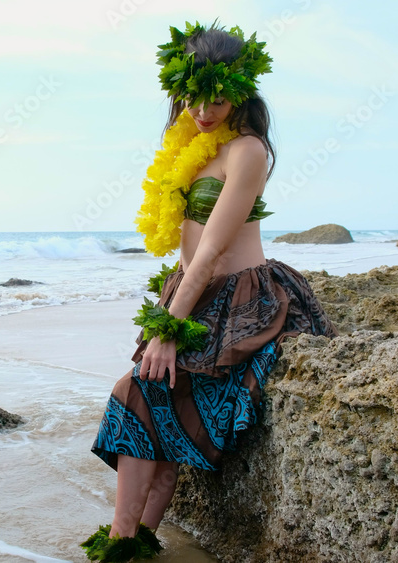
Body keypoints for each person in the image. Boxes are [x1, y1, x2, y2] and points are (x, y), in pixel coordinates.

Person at [80, 20, 339, 562]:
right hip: (192, 291)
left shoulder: (247, 151)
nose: (203, 111)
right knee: (156, 404)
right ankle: (140, 546)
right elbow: (184, 250)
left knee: (139, 392)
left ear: (241, 91)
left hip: (243, 298)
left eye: (217, 99)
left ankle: (122, 544)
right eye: (191, 99)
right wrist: (169, 309)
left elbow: (214, 253)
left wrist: (169, 333)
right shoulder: (193, 146)